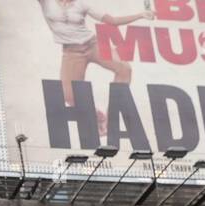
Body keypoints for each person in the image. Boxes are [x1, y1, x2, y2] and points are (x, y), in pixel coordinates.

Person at [34, 0, 156, 136]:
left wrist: (141, 15)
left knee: (124, 69)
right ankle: (97, 116)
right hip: (72, 52)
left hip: (92, 45)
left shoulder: (81, 4)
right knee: (69, 97)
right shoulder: (47, 2)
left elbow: (113, 21)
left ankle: (111, 119)